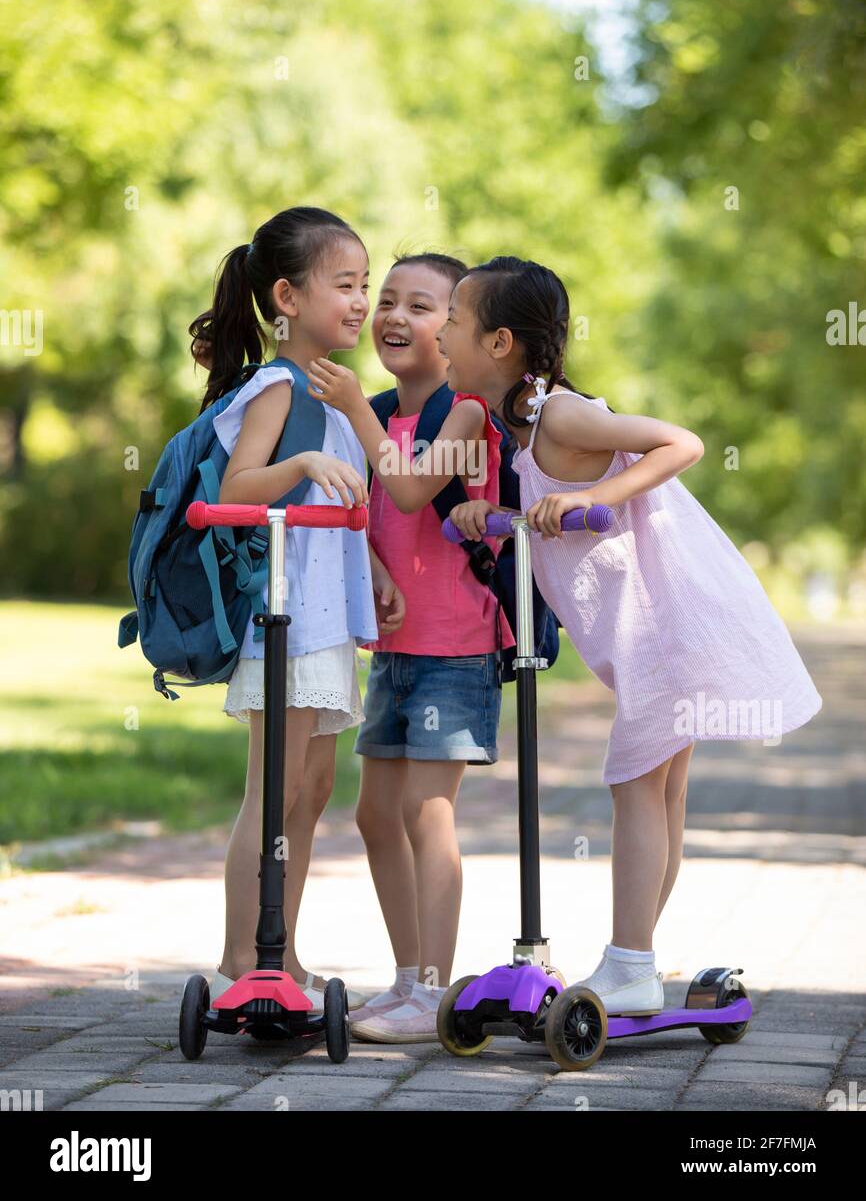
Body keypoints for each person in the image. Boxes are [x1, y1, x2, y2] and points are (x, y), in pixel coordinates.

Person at [436, 255, 822, 1013]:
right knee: (660, 790)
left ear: (499, 342)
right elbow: (561, 519)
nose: (440, 336)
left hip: (666, 628)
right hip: (655, 633)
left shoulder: (559, 416)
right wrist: (498, 517)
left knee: (635, 783)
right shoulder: (522, 428)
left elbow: (682, 443)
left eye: (452, 320)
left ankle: (632, 964)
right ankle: (635, 960)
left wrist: (606, 494)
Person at [188, 206, 405, 1014]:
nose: (361, 302)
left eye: (365, 285)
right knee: (273, 791)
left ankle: (282, 951)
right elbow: (238, 488)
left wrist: (373, 566)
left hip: (324, 622)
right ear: (287, 297)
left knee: (310, 792)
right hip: (282, 623)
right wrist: (304, 460)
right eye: (345, 285)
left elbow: (338, 507)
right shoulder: (277, 388)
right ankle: (237, 961)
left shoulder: (333, 395)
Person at [306, 253, 515, 1041]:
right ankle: (406, 980)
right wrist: (375, 570)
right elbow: (363, 515)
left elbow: (407, 487)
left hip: (456, 645)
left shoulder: (466, 414)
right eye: (385, 299)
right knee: (374, 814)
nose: (393, 315)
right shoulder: (377, 410)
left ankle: (435, 992)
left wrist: (353, 410)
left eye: (421, 306)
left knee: (428, 811)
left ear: (455, 328)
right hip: (394, 646)